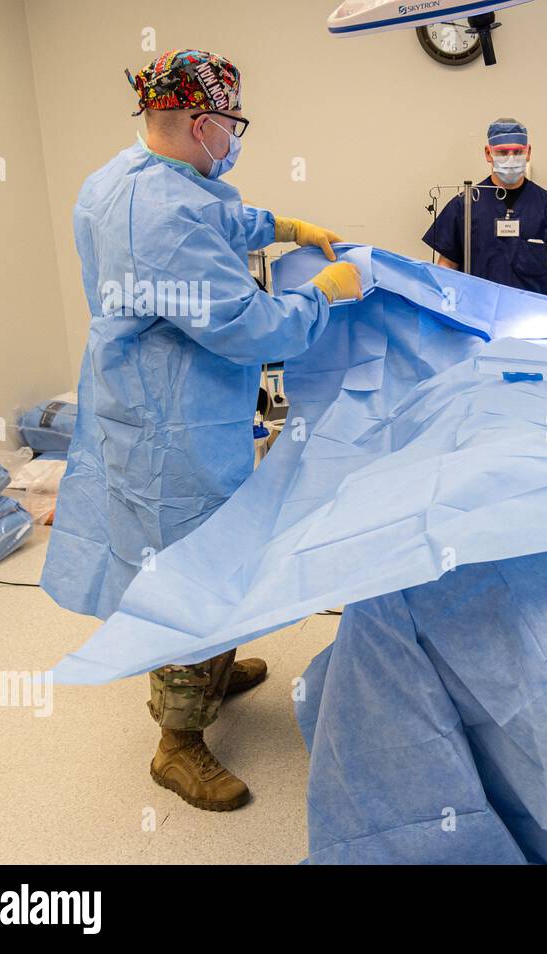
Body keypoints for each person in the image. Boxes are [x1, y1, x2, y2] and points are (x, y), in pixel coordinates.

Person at [41, 50, 361, 811]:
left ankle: (214, 670)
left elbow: (212, 210)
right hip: (171, 424)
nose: (237, 136)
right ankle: (177, 743)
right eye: (233, 123)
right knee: (187, 571)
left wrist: (278, 224)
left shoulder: (120, 176)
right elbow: (250, 328)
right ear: (201, 121)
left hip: (146, 397)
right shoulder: (165, 218)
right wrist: (324, 296)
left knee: (215, 555)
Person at [423, 119, 547, 297]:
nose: (510, 158)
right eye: (502, 152)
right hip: (477, 314)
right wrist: (449, 312)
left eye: (517, 152)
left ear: (528, 152)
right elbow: (447, 265)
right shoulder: (465, 206)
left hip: (531, 317)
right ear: (488, 153)